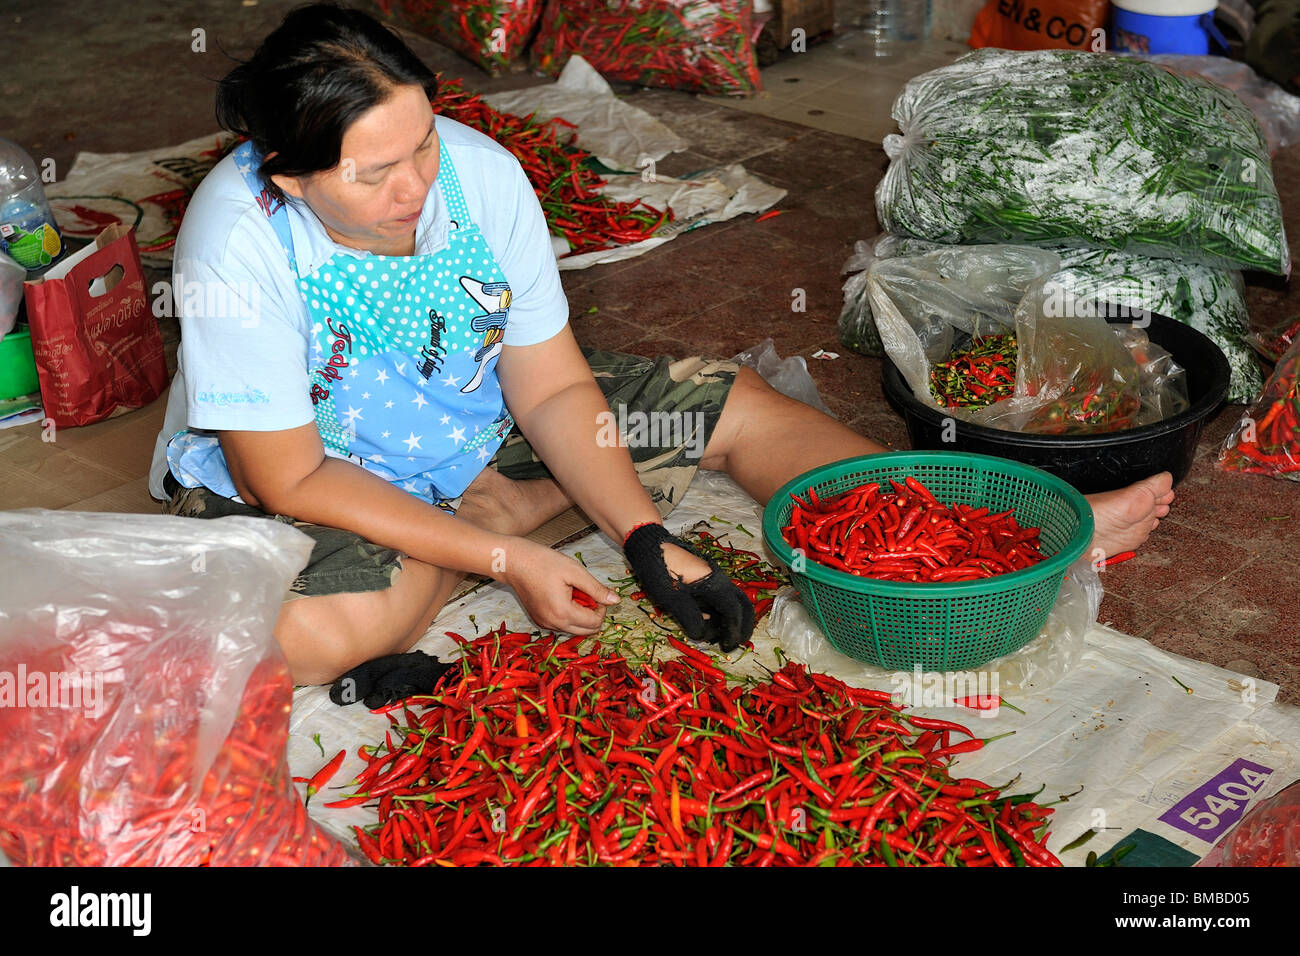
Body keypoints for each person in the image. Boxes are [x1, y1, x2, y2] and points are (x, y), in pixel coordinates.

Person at [147, 3, 1174, 706]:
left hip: (480, 427)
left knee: (736, 407)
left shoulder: (478, 176)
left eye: (421, 143)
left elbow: (547, 381)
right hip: (316, 478)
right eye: (375, 173)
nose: (415, 184)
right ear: (285, 176)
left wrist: (638, 538)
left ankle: (1002, 540)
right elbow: (282, 472)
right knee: (314, 636)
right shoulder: (235, 236)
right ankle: (482, 524)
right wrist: (507, 558)